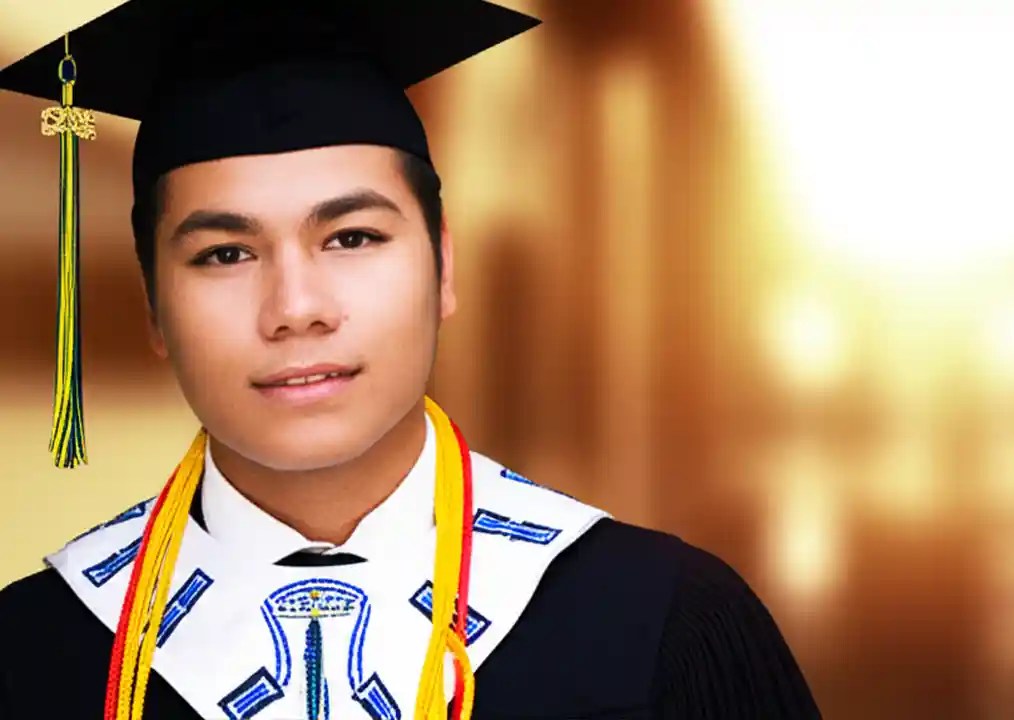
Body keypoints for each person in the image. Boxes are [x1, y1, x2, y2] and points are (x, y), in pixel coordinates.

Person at [0, 1, 821, 718]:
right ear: (154, 306)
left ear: (443, 267)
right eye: (224, 254)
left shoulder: (662, 628)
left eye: (352, 237)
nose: (295, 308)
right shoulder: (33, 657)